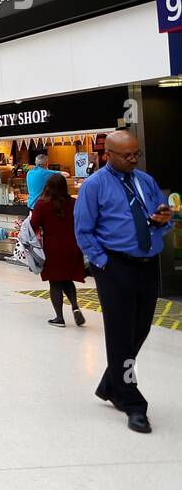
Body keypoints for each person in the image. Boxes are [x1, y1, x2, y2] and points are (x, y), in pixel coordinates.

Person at [73, 130, 172, 434]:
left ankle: (111, 383)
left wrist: (163, 219)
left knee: (139, 330)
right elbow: (83, 230)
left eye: (136, 154)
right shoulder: (94, 186)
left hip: (147, 263)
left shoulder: (146, 181)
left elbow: (160, 214)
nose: (133, 159)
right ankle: (131, 400)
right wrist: (102, 263)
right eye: (126, 155)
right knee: (120, 335)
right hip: (115, 266)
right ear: (108, 156)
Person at [30, 174, 85, 328]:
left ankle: (59, 318)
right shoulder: (74, 202)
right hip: (73, 246)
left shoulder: (41, 204)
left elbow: (33, 225)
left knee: (55, 283)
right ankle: (74, 306)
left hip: (52, 248)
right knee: (67, 279)